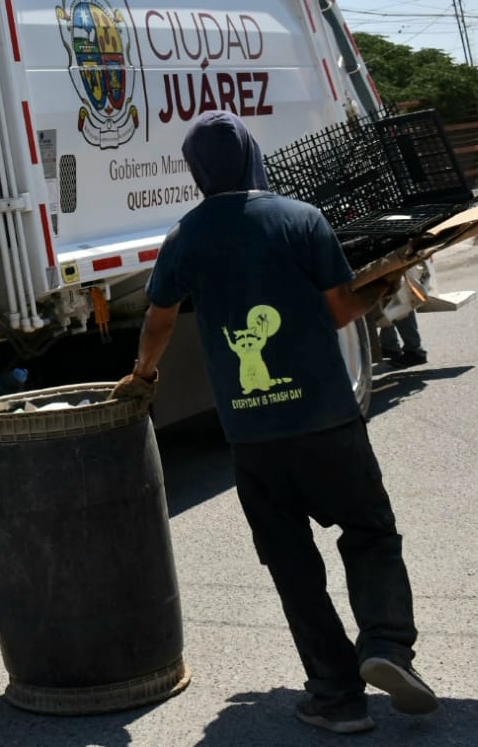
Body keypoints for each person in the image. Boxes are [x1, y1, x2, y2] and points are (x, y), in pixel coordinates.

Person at [112, 110, 437, 735]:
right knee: (370, 533)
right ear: (254, 157)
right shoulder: (300, 218)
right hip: (327, 422)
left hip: (254, 438)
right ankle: (387, 648)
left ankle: (337, 698)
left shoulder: (186, 237)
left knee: (291, 565)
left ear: (197, 171)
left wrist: (144, 375)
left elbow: (158, 319)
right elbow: (341, 311)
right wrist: (383, 284)